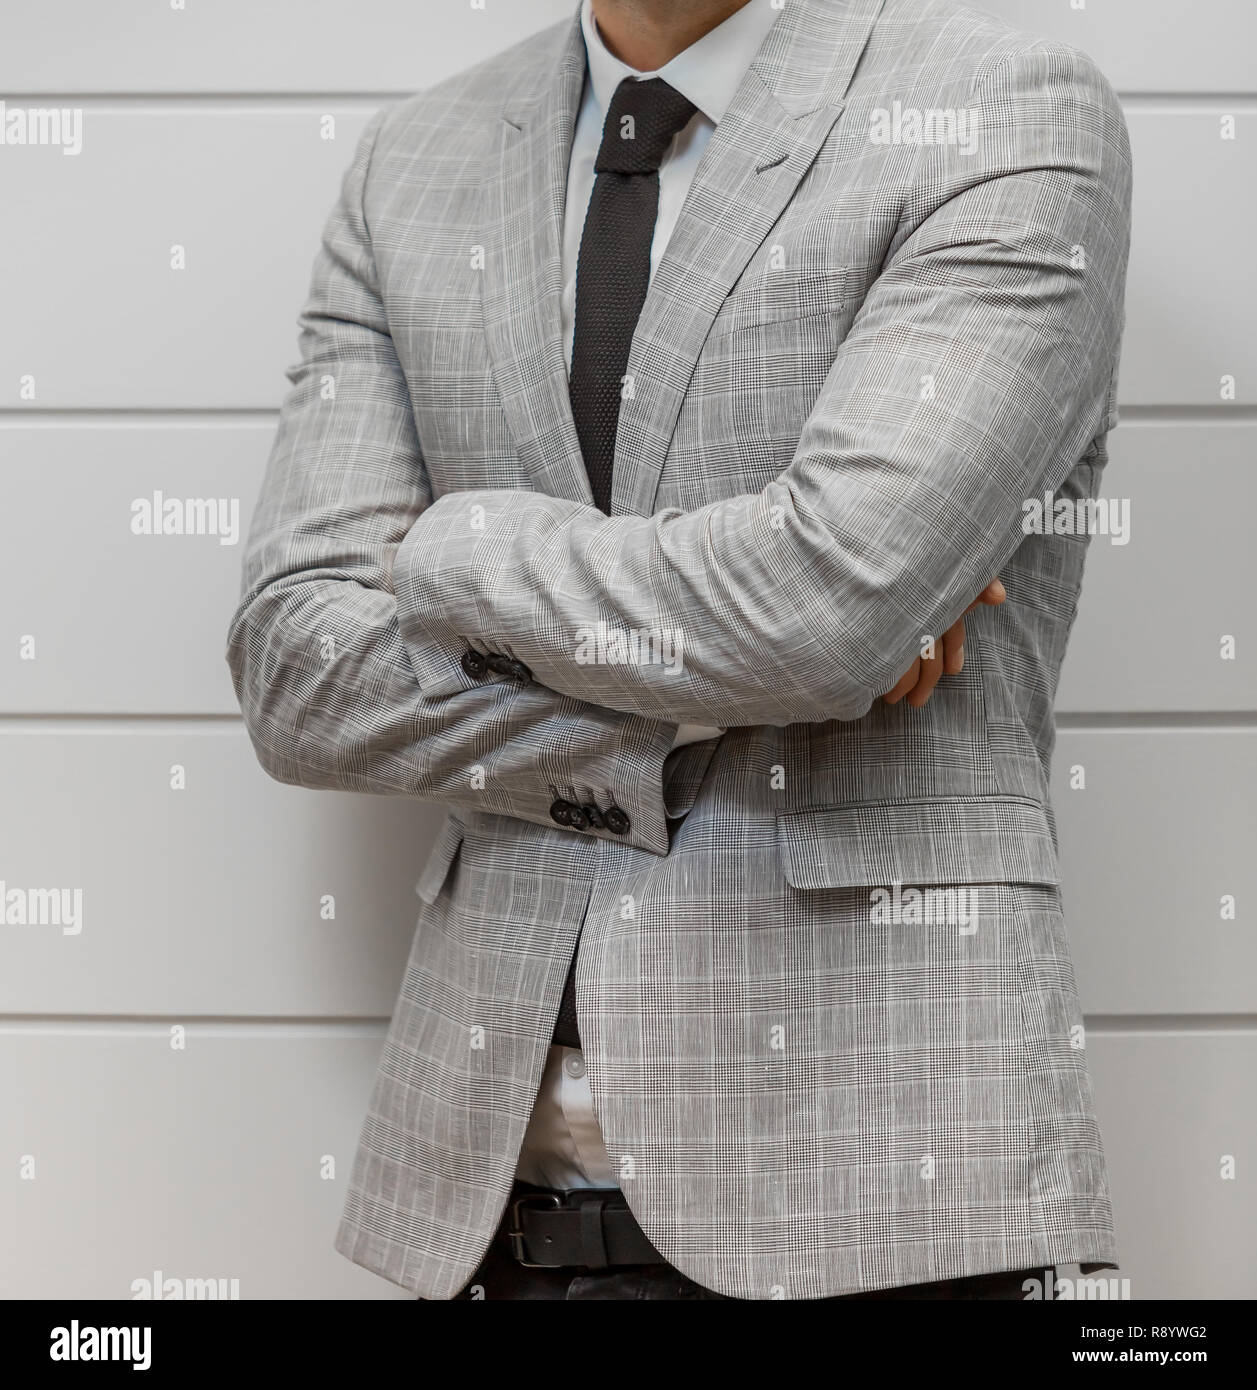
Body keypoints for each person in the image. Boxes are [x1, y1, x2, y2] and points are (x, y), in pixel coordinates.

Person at [227, 0, 1131, 1300]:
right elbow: (298, 672)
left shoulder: (1000, 108)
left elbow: (822, 607)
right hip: (499, 1208)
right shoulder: (410, 158)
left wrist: (451, 545)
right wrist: (743, 670)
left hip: (883, 1201)